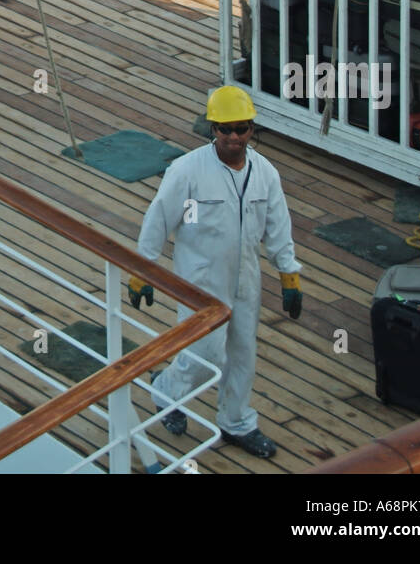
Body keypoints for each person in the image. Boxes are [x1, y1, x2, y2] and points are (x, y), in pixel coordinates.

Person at [129, 86, 302, 459]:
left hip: (245, 280)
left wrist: (289, 274)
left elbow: (278, 226)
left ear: (251, 129)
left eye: (241, 128)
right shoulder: (188, 171)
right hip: (200, 282)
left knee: (242, 353)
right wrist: (143, 269)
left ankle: (237, 421)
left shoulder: (265, 174)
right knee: (207, 356)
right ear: (213, 129)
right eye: (225, 129)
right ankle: (167, 390)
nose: (234, 137)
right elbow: (158, 219)